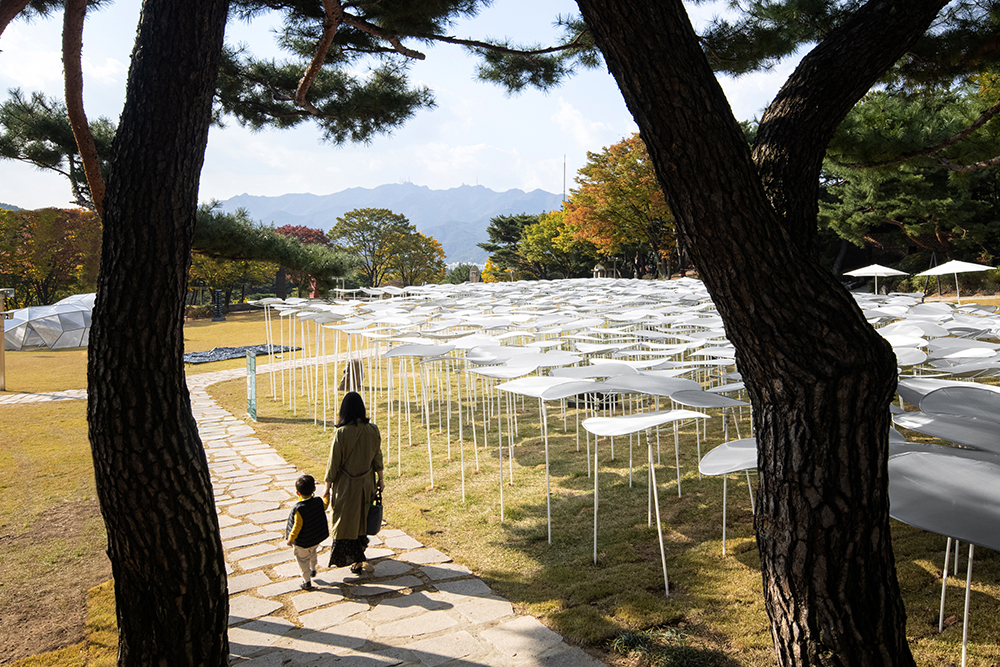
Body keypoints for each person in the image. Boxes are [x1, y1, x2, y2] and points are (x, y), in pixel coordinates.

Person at [324, 391, 384, 574]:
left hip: (346, 485)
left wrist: (327, 487)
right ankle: (358, 559)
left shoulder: (341, 433)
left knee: (344, 521)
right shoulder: (373, 429)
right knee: (362, 520)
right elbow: (377, 456)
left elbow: (333, 462)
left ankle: (348, 557)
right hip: (366, 483)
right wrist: (380, 479)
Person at [285, 474, 330, 590]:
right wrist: (327, 495)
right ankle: (313, 569)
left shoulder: (299, 509)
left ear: (297, 493)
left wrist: (291, 539)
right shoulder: (319, 502)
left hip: (302, 543)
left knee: (302, 560)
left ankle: (307, 581)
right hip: (314, 539)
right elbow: (325, 505)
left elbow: (297, 527)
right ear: (314, 489)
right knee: (313, 553)